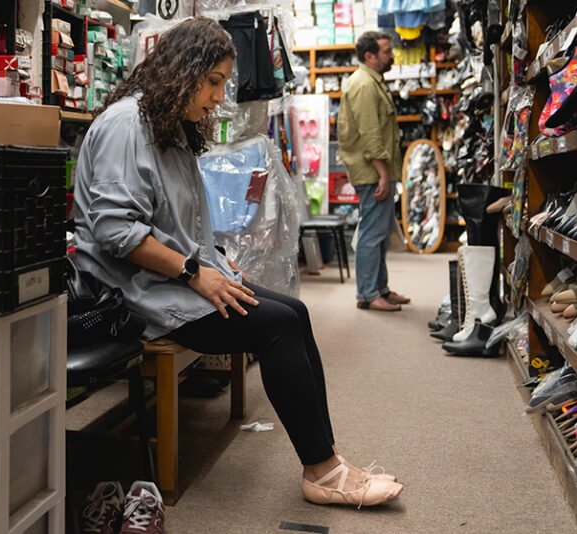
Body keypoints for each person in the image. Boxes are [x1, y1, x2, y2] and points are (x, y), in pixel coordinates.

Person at [71, 17, 403, 507]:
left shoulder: (169, 125)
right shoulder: (127, 125)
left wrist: (216, 262)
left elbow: (179, 222)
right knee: (276, 327)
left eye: (223, 82)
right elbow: (115, 231)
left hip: (170, 276)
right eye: (213, 81)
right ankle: (322, 473)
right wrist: (194, 272)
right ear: (183, 72)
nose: (219, 95)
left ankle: (327, 456)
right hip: (133, 292)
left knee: (296, 312)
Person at [337, 31, 411, 312]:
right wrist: (382, 173)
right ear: (369, 56)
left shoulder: (371, 82)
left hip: (378, 170)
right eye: (386, 51)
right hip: (372, 171)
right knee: (371, 232)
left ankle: (379, 287)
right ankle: (368, 293)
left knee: (380, 231)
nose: (391, 55)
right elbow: (369, 133)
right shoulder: (365, 85)